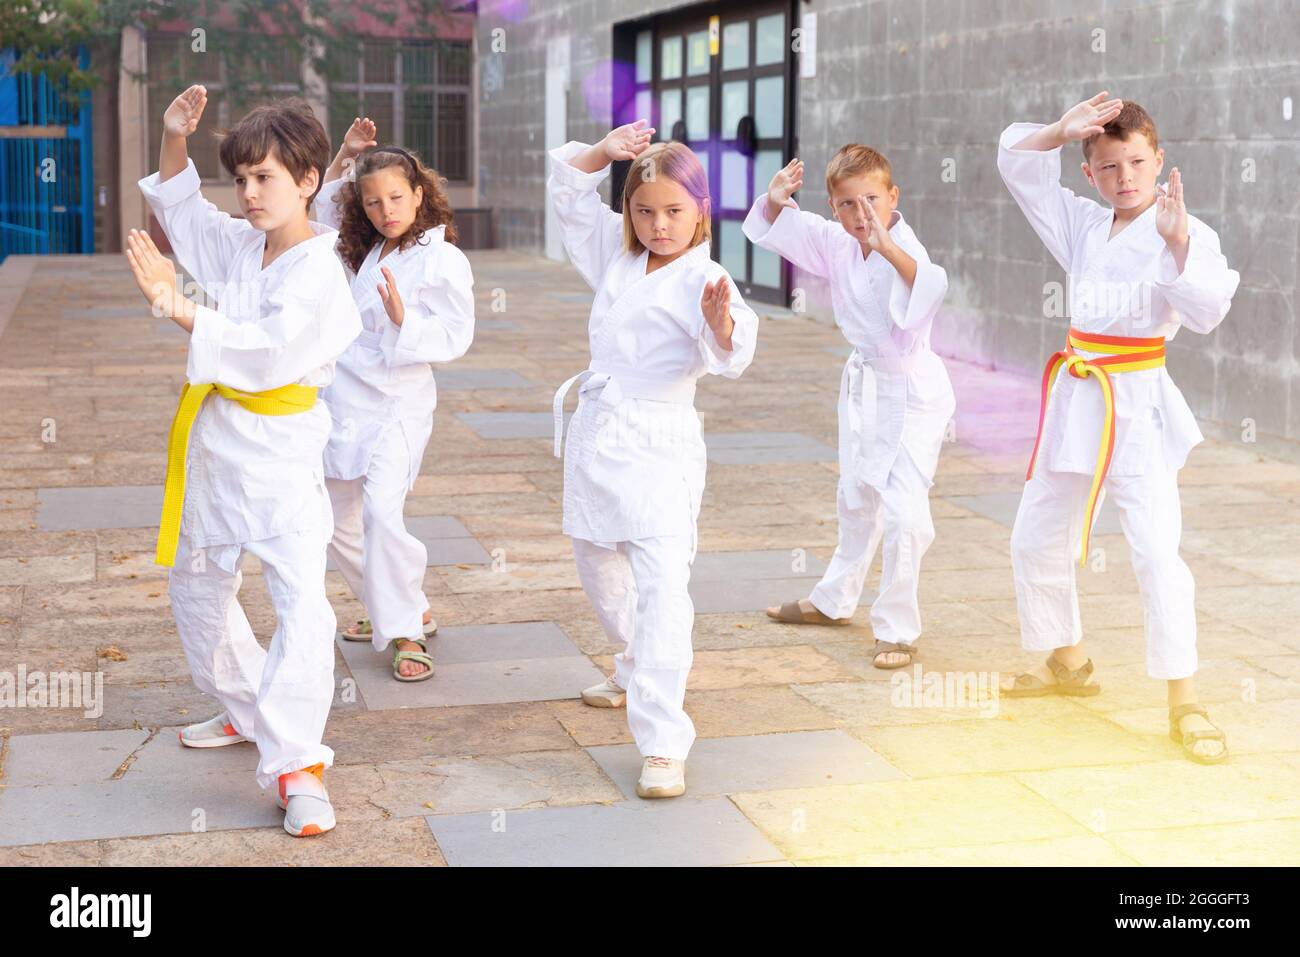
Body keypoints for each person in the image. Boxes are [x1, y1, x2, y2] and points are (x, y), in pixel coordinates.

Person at [127, 85, 361, 835]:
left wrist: (178, 305)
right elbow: (184, 211)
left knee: (302, 604)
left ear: (308, 181)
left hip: (285, 456)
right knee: (196, 590)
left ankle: (297, 763)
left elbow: (268, 352)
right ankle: (247, 706)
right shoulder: (241, 242)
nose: (251, 193)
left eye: (266, 178)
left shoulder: (320, 269)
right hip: (217, 448)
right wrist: (172, 137)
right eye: (243, 179)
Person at [996, 93, 1240, 764]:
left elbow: (1208, 309)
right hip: (1079, 393)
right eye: (1108, 166)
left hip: (1137, 402)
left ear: (1158, 160)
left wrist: (1180, 241)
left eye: (1137, 162)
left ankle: (1184, 699)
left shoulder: (1182, 228)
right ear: (1089, 174)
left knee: (1157, 551)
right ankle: (1068, 660)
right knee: (1033, 535)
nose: (1125, 177)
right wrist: (1058, 129)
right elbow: (1016, 163)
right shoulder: (1080, 223)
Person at [548, 120, 759, 798]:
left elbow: (730, 351)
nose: (657, 224)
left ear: (700, 209)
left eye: (673, 211)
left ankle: (664, 740)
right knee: (595, 558)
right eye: (644, 211)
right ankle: (634, 659)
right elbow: (570, 199)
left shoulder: (708, 276)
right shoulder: (618, 258)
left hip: (661, 441)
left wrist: (722, 324)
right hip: (599, 429)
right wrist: (602, 152)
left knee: (664, 584)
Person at [745, 149, 954, 669]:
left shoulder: (904, 246)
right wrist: (774, 202)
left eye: (871, 201)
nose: (861, 215)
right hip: (864, 386)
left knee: (906, 513)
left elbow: (931, 286)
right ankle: (833, 599)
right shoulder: (840, 241)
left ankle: (898, 629)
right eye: (846, 204)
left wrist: (888, 250)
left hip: (909, 391)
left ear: (893, 197)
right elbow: (782, 228)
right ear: (834, 207)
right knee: (856, 495)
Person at [313, 116, 476, 681]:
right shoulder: (361, 249)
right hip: (343, 400)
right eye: (374, 201)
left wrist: (408, 322)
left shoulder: (440, 256)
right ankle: (395, 606)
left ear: (420, 194)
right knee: (334, 521)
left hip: (398, 405)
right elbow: (316, 214)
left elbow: (457, 333)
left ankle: (404, 630)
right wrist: (346, 154)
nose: (387, 210)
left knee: (382, 511)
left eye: (397, 198)